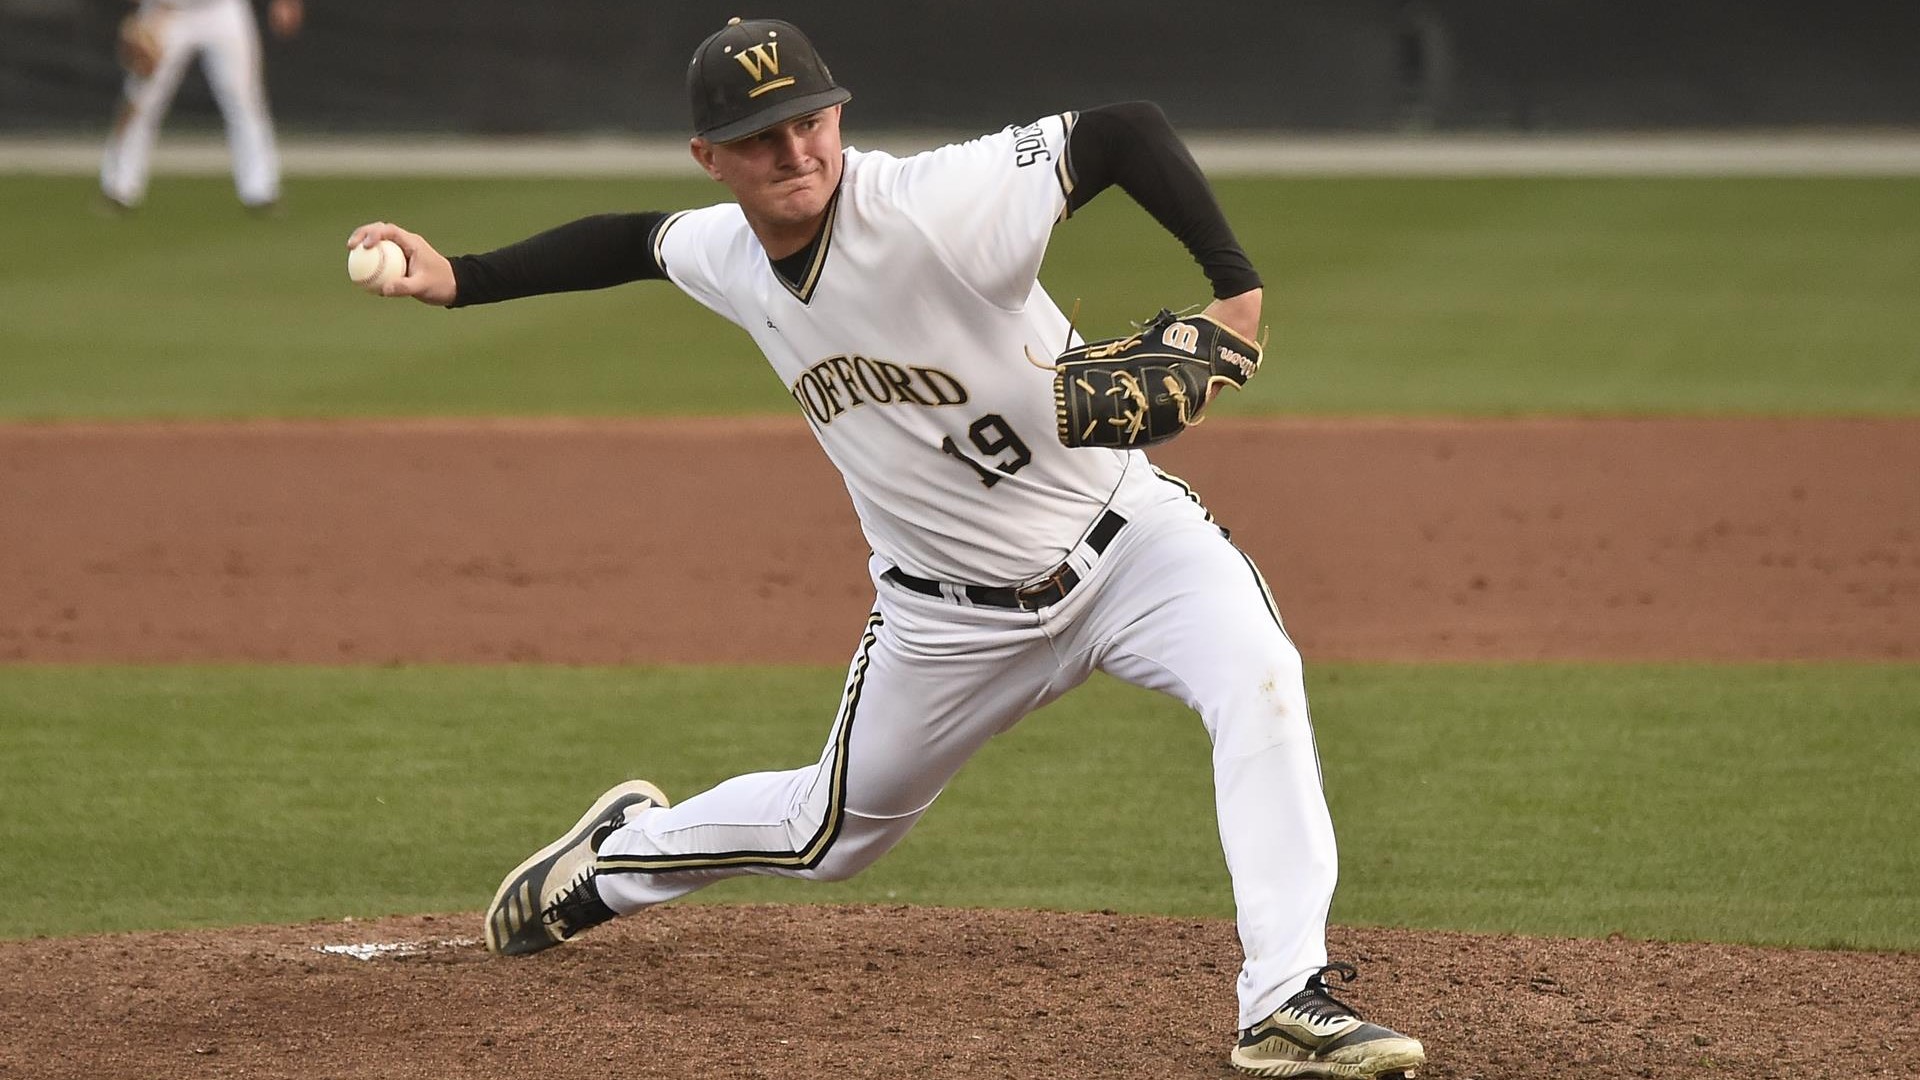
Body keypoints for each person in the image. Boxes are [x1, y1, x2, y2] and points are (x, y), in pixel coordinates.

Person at [347, 17, 1425, 1078]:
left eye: (809, 120)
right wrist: (462, 277)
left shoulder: (933, 205)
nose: (794, 150)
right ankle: (621, 857)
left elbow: (1124, 129)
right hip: (945, 620)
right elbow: (632, 241)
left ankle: (1284, 998)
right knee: (831, 833)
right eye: (761, 135)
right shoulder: (730, 249)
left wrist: (1235, 287)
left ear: (840, 115)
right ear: (709, 157)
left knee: (1262, 678)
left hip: (1130, 546)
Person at [99, 0, 303, 213]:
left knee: (245, 100)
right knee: (141, 99)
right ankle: (119, 186)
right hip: (168, 12)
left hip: (222, 10)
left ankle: (261, 189)